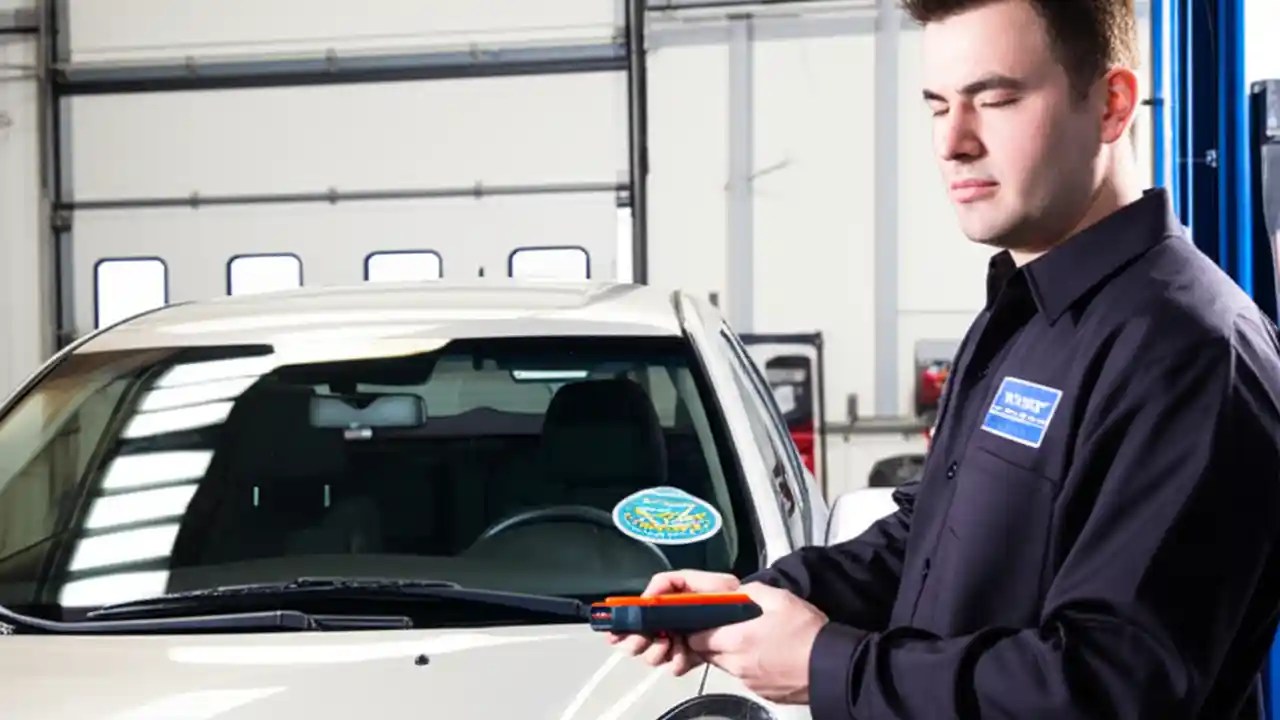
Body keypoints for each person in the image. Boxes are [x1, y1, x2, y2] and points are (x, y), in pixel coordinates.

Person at [609, 0, 1280, 717]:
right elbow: (931, 538)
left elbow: (1108, 686)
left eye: (995, 100)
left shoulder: (1192, 353)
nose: (954, 143)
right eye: (937, 107)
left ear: (1112, 105)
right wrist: (768, 598)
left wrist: (826, 663)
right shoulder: (1022, 315)